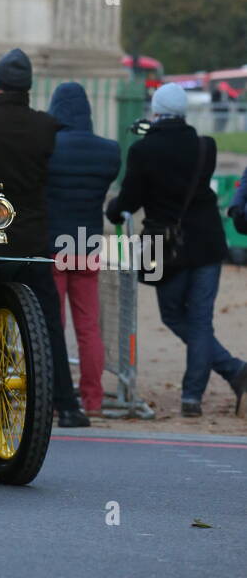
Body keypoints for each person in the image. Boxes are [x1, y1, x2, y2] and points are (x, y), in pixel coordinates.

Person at [0, 48, 90, 428]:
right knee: (46, 327)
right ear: (28, 87)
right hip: (31, 241)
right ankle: (68, 404)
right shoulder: (46, 126)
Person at [106, 81, 247, 418]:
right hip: (208, 242)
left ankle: (231, 371)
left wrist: (113, 210)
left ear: (155, 111)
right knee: (201, 320)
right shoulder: (205, 147)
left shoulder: (142, 151)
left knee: (173, 315)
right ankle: (195, 395)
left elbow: (130, 200)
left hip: (164, 247)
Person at [46, 83, 121, 418]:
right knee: (89, 326)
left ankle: (54, 393)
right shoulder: (109, 150)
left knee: (54, 323)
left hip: (53, 245)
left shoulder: (48, 147)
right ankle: (93, 398)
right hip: (86, 243)